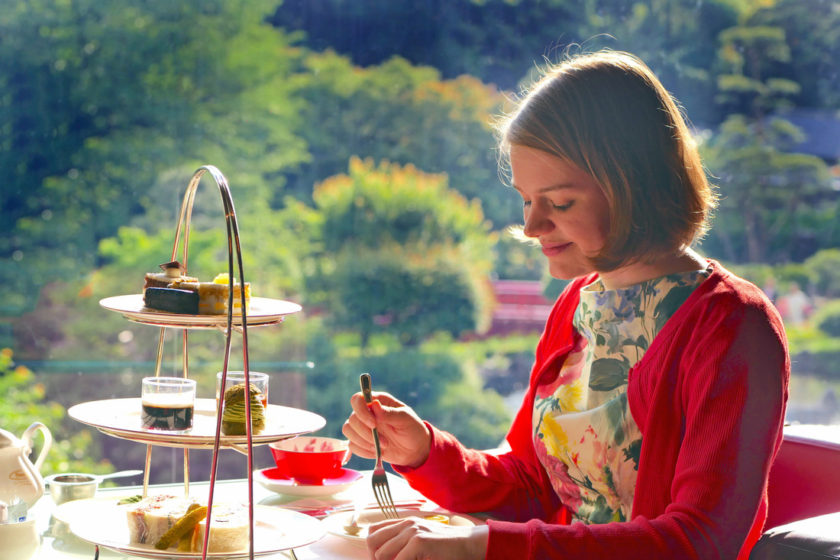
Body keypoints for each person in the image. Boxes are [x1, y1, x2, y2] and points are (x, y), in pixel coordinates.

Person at [342, 50, 789, 560]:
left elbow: (698, 542)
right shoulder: (577, 304)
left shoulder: (733, 326)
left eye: (559, 203)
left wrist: (485, 547)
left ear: (633, 186)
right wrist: (425, 451)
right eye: (526, 200)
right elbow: (534, 486)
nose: (531, 227)